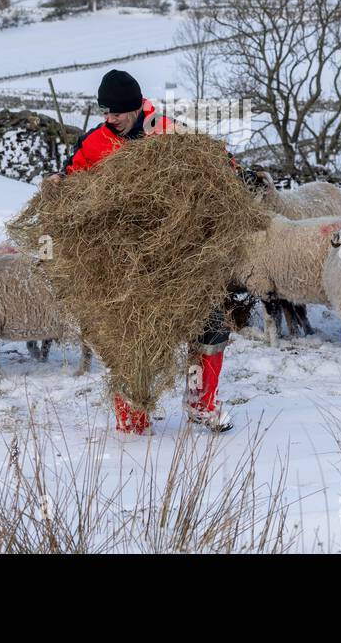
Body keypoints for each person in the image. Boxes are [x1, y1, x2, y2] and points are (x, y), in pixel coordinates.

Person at [44, 69, 234, 435]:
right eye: (104, 111)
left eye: (116, 111)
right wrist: (58, 181)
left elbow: (216, 160)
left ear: (134, 107)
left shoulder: (166, 131)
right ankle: (133, 420)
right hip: (120, 260)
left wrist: (234, 174)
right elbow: (73, 174)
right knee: (127, 335)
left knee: (210, 324)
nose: (109, 118)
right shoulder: (95, 141)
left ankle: (200, 403)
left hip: (178, 253)